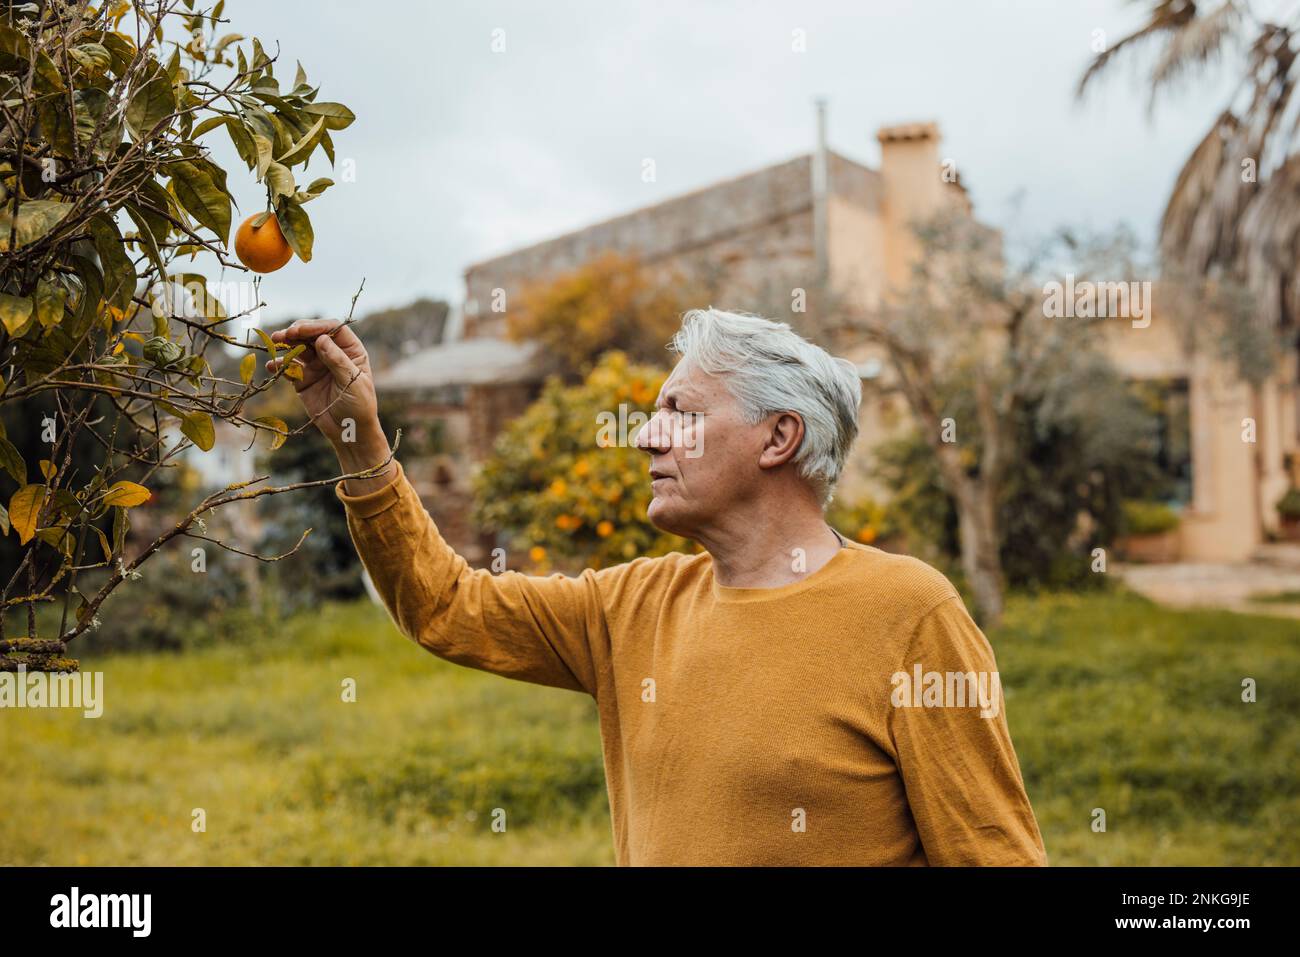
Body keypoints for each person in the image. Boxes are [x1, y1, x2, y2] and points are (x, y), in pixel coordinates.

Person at [268, 306, 1048, 866]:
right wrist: (356, 436)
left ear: (779, 437)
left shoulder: (910, 613)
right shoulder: (629, 606)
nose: (646, 433)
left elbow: (991, 854)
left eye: (680, 411)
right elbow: (444, 605)